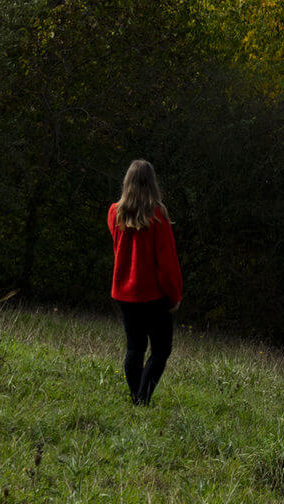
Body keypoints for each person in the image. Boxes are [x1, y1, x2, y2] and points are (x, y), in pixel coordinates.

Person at [108, 159, 183, 405]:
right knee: (161, 350)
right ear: (152, 183)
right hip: (153, 295)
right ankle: (142, 399)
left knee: (135, 348)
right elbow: (167, 262)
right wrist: (175, 295)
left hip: (124, 292)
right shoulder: (158, 215)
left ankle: (137, 399)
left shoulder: (115, 212)